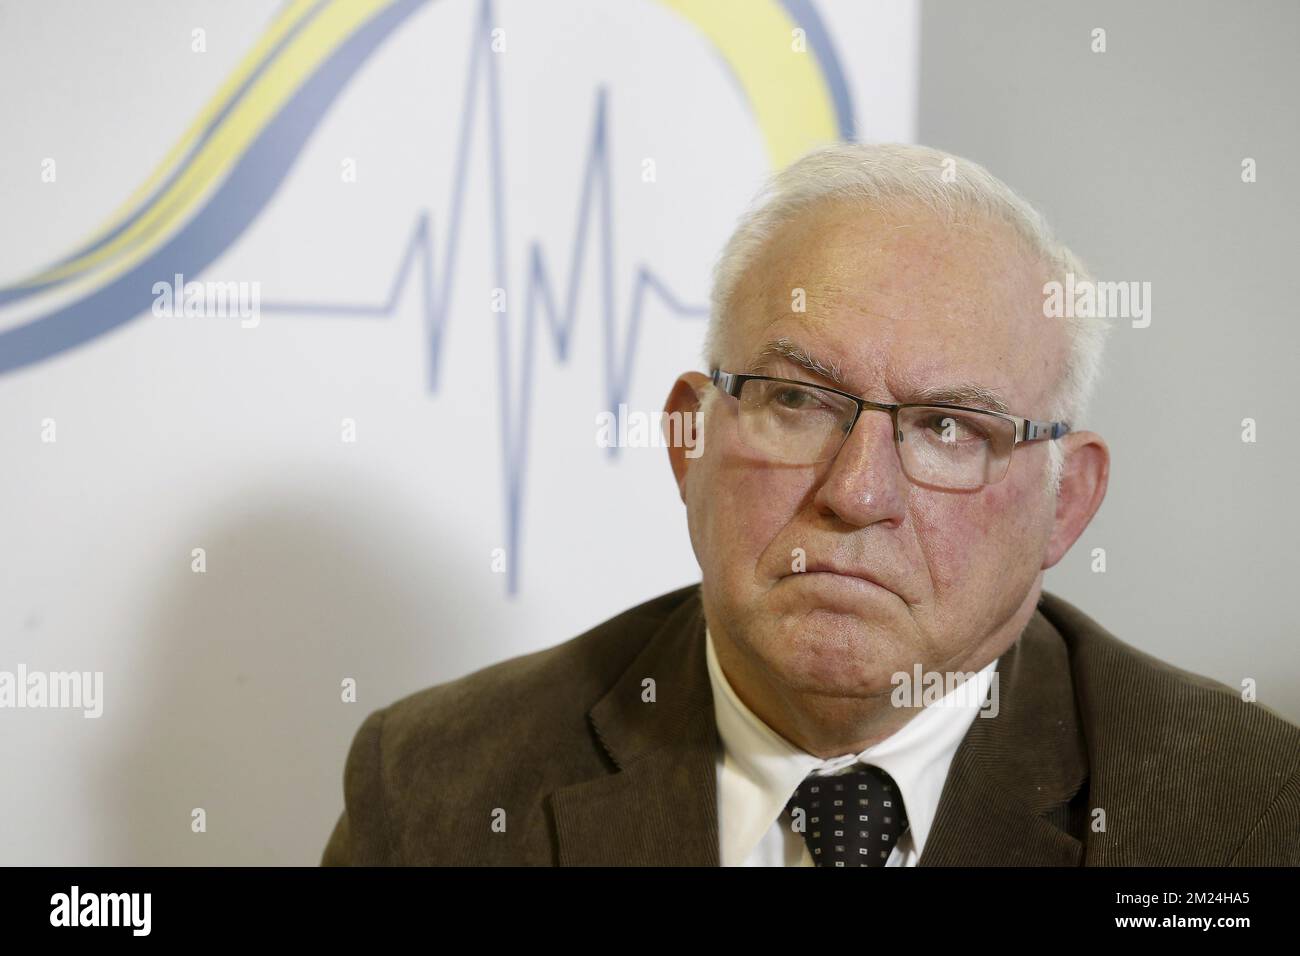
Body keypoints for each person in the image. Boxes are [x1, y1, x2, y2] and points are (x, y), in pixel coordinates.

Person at [321, 143, 1300, 866]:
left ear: (1065, 502)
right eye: (796, 400)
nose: (856, 492)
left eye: (950, 427)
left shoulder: (1246, 817)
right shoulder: (432, 791)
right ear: (688, 438)